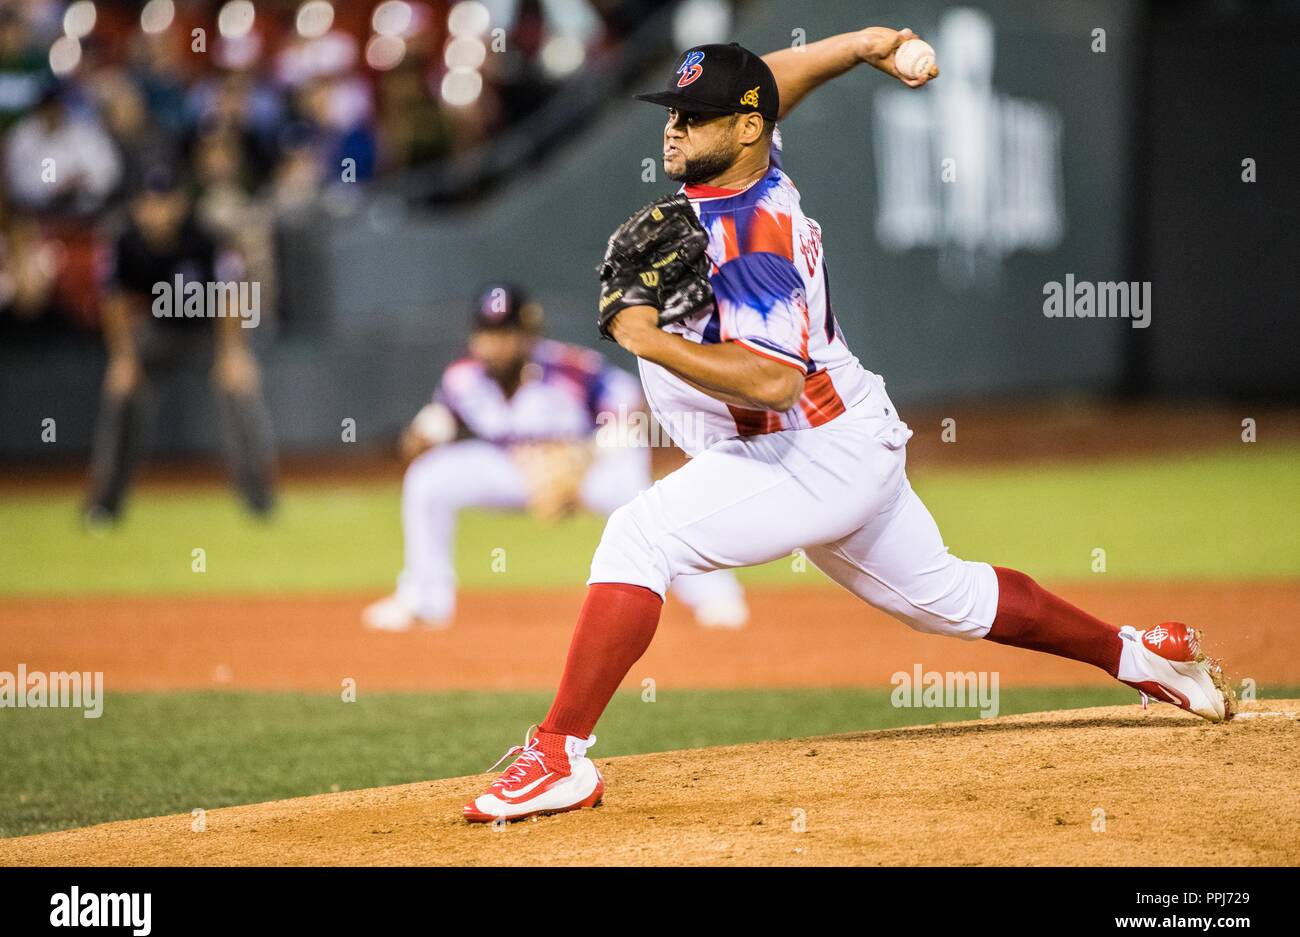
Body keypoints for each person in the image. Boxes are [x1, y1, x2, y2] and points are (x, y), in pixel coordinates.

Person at [462, 29, 1235, 823]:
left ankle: (559, 755)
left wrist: (643, 336)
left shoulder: (755, 239)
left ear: (744, 130)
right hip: (839, 438)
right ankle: (1147, 657)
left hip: (803, 448)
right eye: (675, 113)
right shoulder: (748, 167)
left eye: (696, 116)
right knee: (952, 598)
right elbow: (773, 84)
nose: (675, 127)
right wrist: (864, 44)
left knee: (638, 536)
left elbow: (772, 381)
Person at [362, 283, 749, 632]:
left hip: (587, 470)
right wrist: (422, 434)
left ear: (528, 335)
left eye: (505, 333)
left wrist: (581, 460)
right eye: (487, 334)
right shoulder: (463, 376)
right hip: (511, 470)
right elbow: (442, 419)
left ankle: (714, 596)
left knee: (636, 491)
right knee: (430, 477)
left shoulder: (569, 367)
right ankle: (425, 601)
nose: (494, 344)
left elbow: (632, 407)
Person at [83, 168, 275, 525]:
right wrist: (123, 360)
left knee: (241, 389)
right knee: (122, 395)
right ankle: (104, 507)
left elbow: (231, 294)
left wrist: (233, 354)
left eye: (163, 201)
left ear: (179, 203)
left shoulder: (205, 237)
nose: (155, 210)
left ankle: (259, 503)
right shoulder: (125, 242)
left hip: (208, 332)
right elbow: (114, 301)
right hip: (157, 333)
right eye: (148, 202)